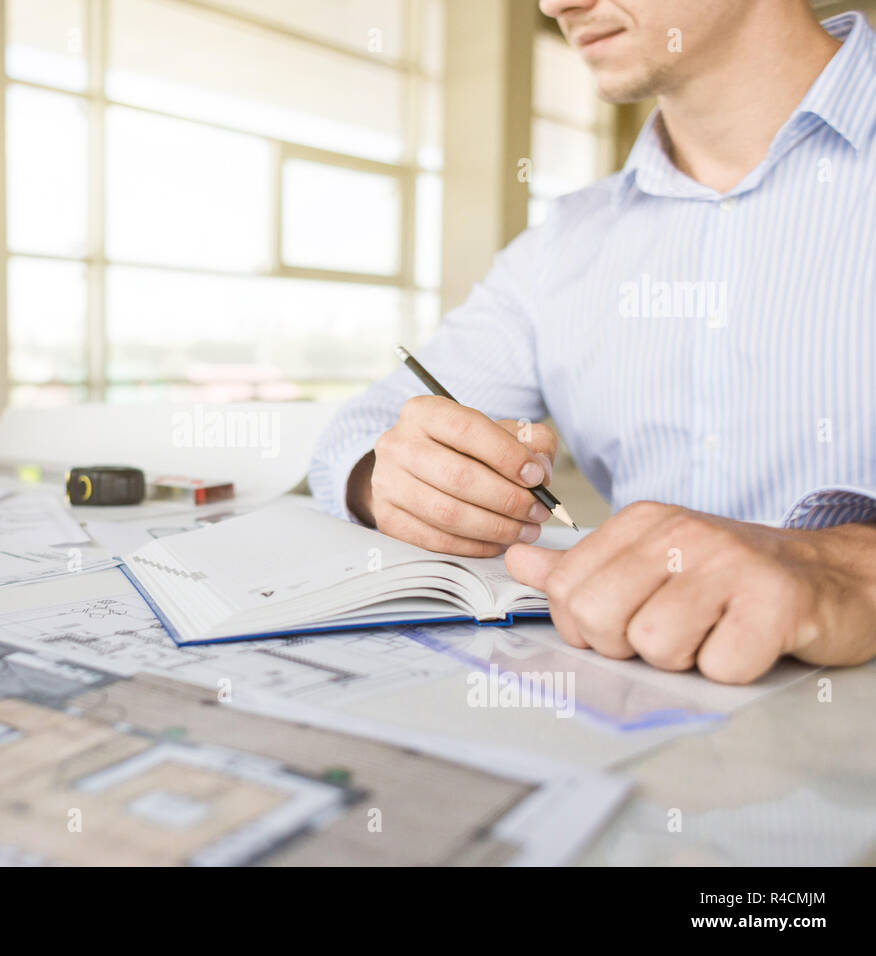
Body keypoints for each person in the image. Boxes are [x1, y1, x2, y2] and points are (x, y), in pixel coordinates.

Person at [309, 0, 876, 684]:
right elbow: (361, 430)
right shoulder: (562, 243)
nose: (554, 5)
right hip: (638, 716)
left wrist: (846, 566)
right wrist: (402, 481)